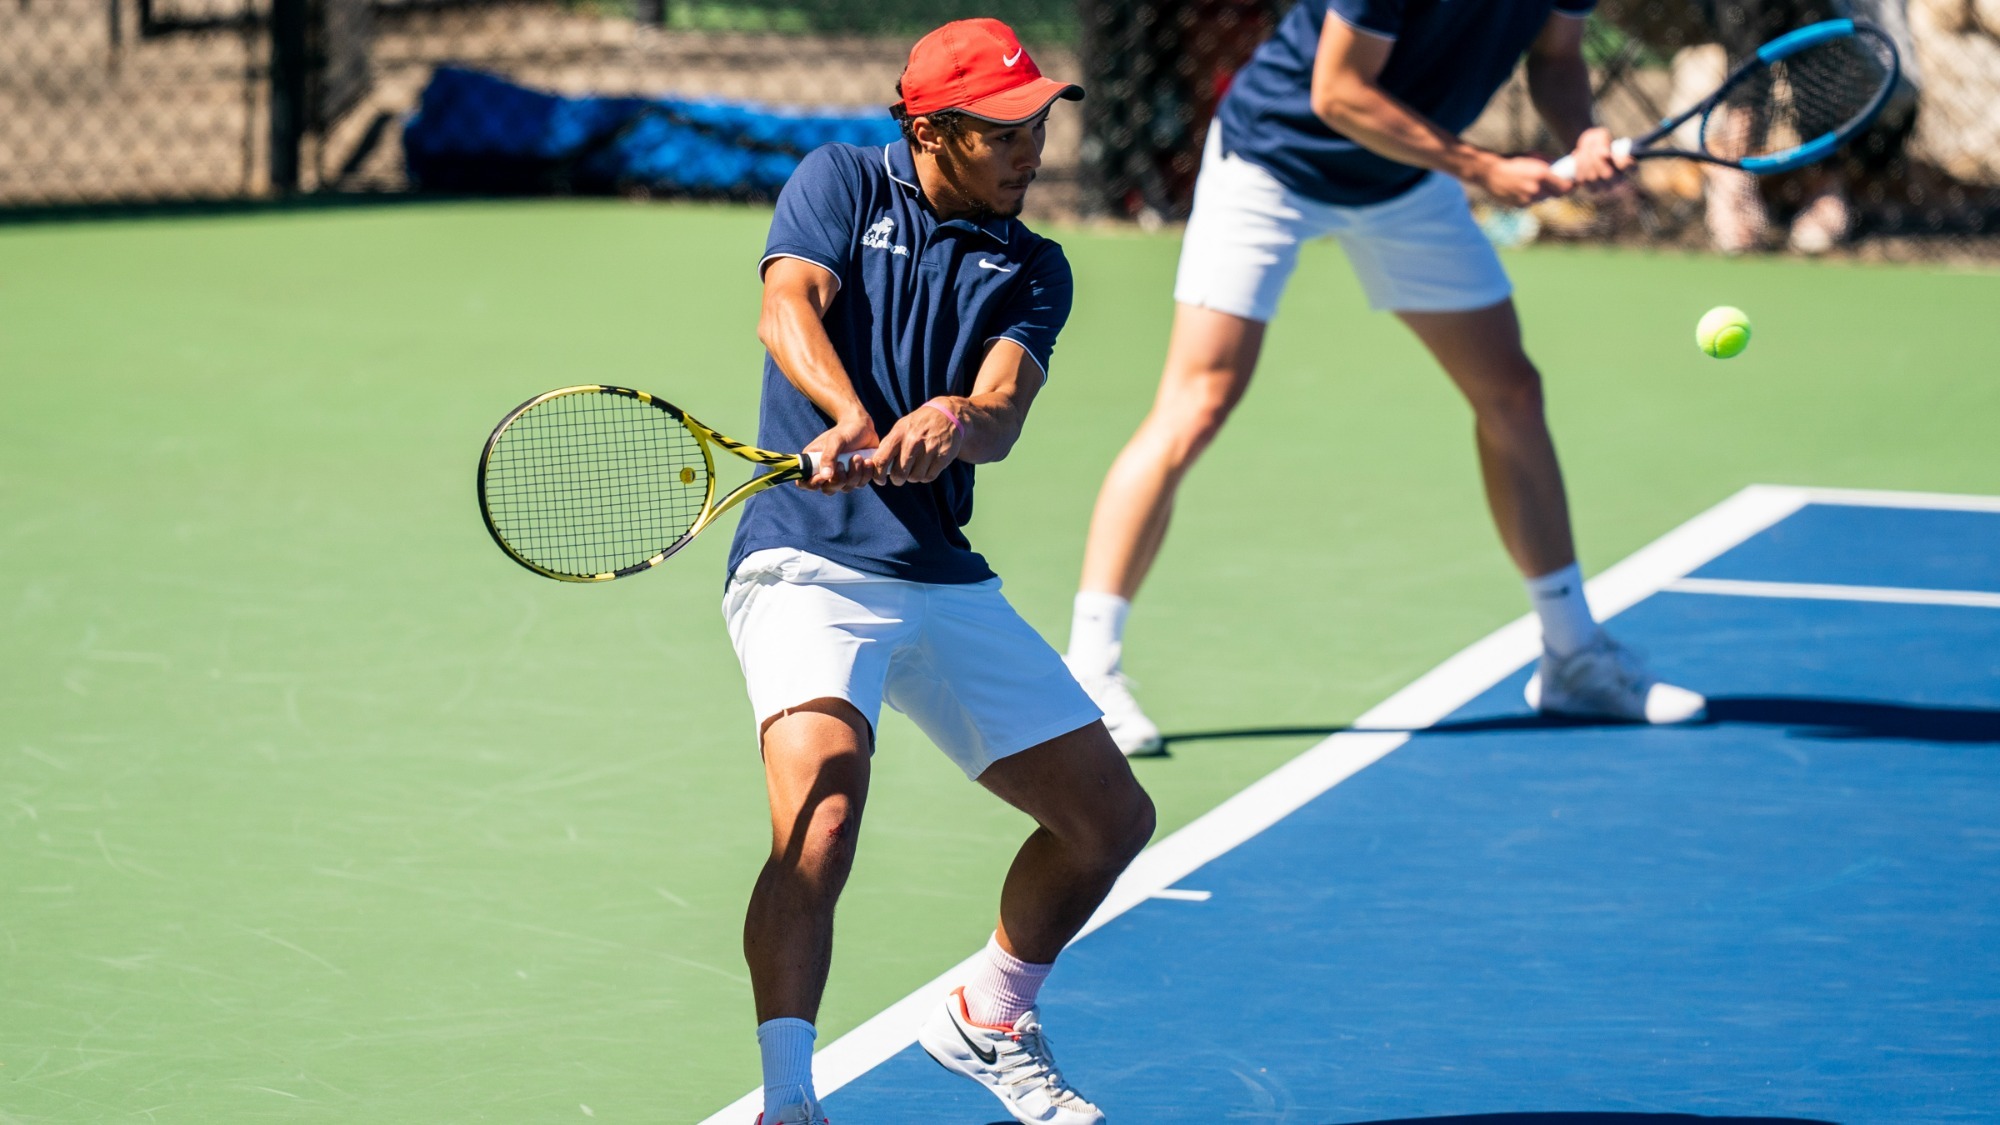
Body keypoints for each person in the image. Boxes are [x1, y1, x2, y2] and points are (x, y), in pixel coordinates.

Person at [1063, 0, 1709, 757]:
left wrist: (1585, 135)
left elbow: (1558, 57)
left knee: (1511, 390)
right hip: (1275, 161)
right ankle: (1088, 678)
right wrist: (1483, 168)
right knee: (1198, 400)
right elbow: (1336, 90)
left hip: (1404, 180)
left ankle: (1573, 656)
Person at [723, 18, 1154, 1125]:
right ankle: (787, 1102)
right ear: (930, 130)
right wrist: (848, 413)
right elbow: (786, 304)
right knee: (820, 816)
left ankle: (987, 1013)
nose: (1031, 149)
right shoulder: (839, 184)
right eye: (1003, 130)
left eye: (1038, 123)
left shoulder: (1033, 267)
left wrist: (953, 420)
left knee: (1109, 823)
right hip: (802, 565)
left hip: (939, 574)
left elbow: (1003, 410)